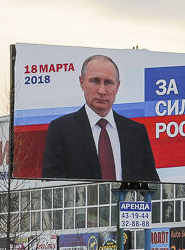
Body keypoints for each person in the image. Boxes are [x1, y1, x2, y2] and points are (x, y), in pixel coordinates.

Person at [41, 54, 159, 182]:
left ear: (117, 86)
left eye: (108, 82)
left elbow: (152, 185)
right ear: (82, 83)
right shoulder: (61, 130)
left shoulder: (136, 132)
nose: (102, 90)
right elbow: (53, 188)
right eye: (95, 81)